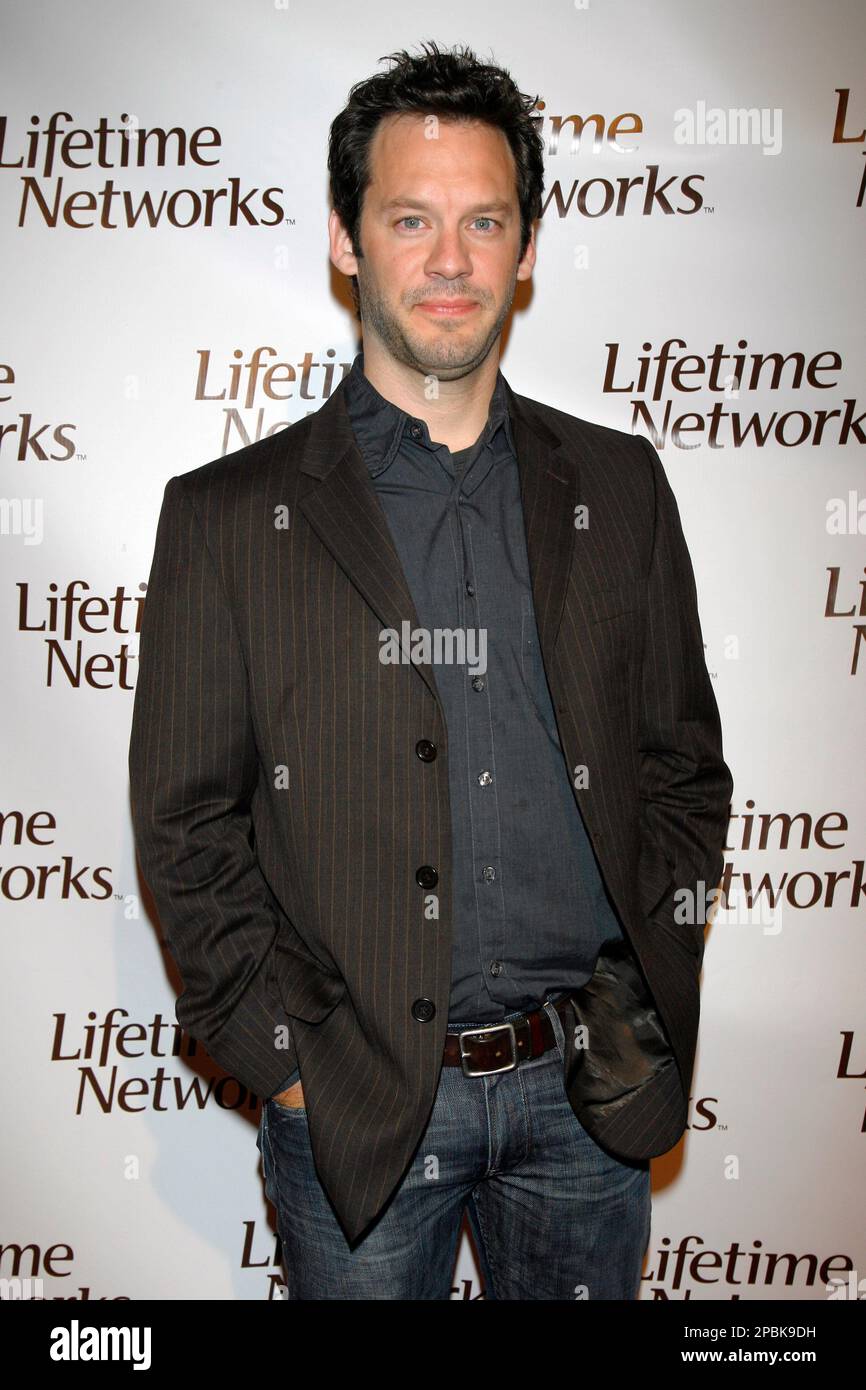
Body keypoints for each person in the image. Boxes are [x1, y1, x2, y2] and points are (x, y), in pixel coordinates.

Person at [128, 39, 734, 1300]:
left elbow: (680, 762)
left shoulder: (619, 489)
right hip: (356, 1114)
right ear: (348, 241)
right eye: (410, 219)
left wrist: (632, 996)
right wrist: (289, 1060)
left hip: (588, 1100)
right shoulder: (229, 516)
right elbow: (186, 825)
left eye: (482, 221)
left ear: (524, 248)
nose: (449, 262)